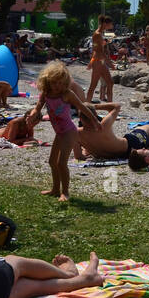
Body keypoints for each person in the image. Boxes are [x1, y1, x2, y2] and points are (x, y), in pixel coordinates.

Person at [28, 61, 94, 201]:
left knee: (61, 163)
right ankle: (55, 189)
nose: (57, 86)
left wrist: (94, 121)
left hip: (69, 131)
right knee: (52, 161)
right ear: (47, 81)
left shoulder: (66, 94)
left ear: (65, 82)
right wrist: (33, 114)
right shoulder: (46, 94)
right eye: (54, 83)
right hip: (59, 132)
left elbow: (82, 107)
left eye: (60, 83)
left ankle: (65, 192)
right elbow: (38, 107)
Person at [87, 15, 114, 102]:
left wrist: (91, 61)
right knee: (93, 85)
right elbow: (98, 51)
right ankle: (86, 106)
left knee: (109, 83)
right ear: (105, 24)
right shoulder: (98, 34)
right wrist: (109, 63)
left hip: (99, 61)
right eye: (110, 24)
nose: (112, 26)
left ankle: (110, 105)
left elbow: (96, 48)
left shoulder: (99, 34)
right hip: (99, 61)